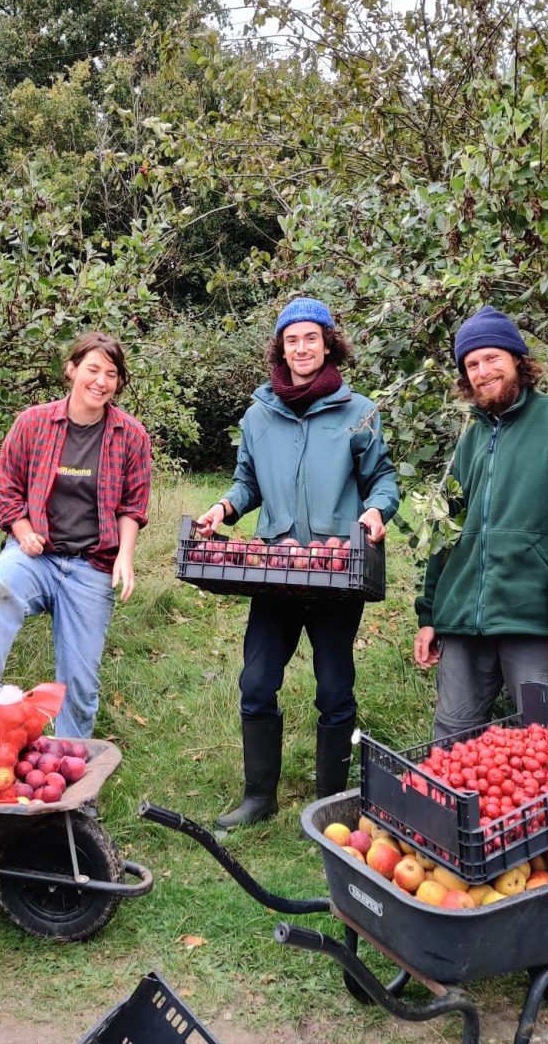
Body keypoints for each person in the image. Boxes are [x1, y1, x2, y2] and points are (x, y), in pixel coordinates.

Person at [196, 297, 400, 828]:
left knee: (335, 687)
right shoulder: (259, 415)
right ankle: (258, 797)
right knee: (257, 681)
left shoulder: (359, 412)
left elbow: (383, 479)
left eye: (311, 338)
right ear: (280, 348)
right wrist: (224, 507)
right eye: (292, 340)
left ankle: (331, 802)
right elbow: (248, 483)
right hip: (276, 571)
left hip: (337, 573)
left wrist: (378, 509)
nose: (302, 348)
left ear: (328, 343)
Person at [412, 306, 548, 740]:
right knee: (452, 739)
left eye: (492, 359)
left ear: (517, 360)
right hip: (464, 620)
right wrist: (431, 614)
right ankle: (456, 811)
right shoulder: (470, 440)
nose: (483, 372)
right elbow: (445, 534)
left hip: (535, 618)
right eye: (472, 364)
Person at [0, 332, 152, 739]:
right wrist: (23, 529)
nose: (101, 381)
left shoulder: (131, 436)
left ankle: (68, 762)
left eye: (111, 374)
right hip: (37, 556)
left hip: (92, 564)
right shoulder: (32, 423)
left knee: (80, 684)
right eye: (93, 369)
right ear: (71, 370)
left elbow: (133, 505)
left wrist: (125, 557)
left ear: (119, 382)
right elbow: (8, 487)